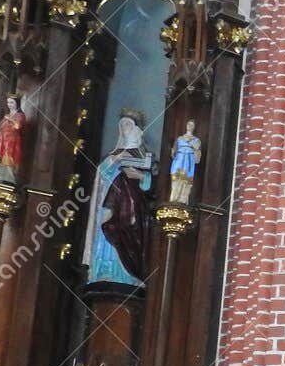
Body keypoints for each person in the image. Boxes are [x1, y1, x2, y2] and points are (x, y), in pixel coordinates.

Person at [86, 112, 155, 283]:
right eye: (122, 125)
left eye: (128, 125)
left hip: (132, 206)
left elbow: (150, 185)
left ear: (136, 129)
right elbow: (100, 175)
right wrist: (115, 160)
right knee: (107, 229)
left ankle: (127, 275)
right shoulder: (114, 155)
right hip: (110, 204)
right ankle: (103, 272)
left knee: (128, 235)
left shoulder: (143, 155)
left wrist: (139, 175)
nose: (125, 129)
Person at [0, 93, 24, 185]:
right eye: (8, 103)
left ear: (17, 104)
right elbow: (0, 127)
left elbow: (18, 126)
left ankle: (9, 179)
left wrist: (11, 119)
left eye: (12, 103)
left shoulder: (20, 115)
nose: (10, 105)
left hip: (11, 141)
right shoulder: (6, 115)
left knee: (8, 158)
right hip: (2, 140)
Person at [168, 120, 202, 204]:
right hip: (179, 160)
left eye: (191, 125)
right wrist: (173, 152)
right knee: (176, 180)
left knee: (186, 181)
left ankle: (182, 202)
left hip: (189, 161)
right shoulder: (179, 139)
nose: (189, 126)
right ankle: (174, 200)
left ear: (194, 127)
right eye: (188, 124)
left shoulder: (196, 140)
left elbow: (198, 154)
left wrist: (194, 148)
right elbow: (174, 151)